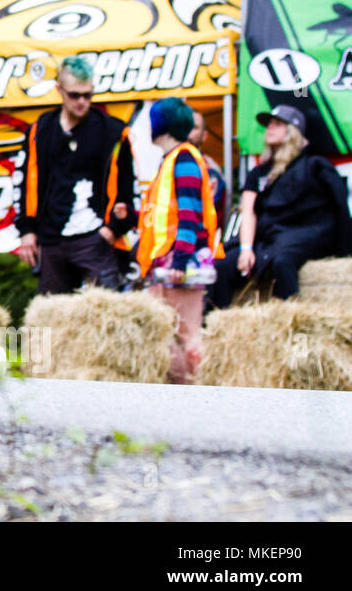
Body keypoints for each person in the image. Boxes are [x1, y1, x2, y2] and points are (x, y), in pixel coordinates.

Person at [14, 57, 136, 294]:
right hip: (51, 237)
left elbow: (128, 186)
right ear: (59, 90)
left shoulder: (113, 131)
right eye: (74, 95)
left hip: (95, 237)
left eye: (87, 95)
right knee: (52, 310)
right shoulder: (40, 130)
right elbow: (23, 182)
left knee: (106, 309)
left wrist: (112, 230)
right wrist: (27, 230)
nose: (82, 101)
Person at [210, 105, 352, 308]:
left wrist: (344, 249)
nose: (270, 128)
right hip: (266, 238)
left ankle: (287, 318)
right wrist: (246, 248)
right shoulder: (259, 173)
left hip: (303, 234)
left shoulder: (315, 165)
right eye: (268, 124)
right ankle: (216, 319)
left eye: (277, 124)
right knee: (222, 265)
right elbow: (248, 211)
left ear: (293, 130)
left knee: (282, 261)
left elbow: (339, 205)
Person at [135, 98, 220, 384]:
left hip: (181, 262)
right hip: (168, 262)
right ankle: (181, 392)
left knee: (188, 335)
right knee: (166, 335)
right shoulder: (172, 160)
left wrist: (181, 260)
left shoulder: (184, 159)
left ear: (162, 124)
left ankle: (204, 393)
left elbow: (189, 212)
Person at [189, 110, 228, 229]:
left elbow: (206, 213)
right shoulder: (168, 162)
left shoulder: (210, 170)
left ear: (204, 135)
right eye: (186, 126)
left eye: (194, 127)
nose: (188, 131)